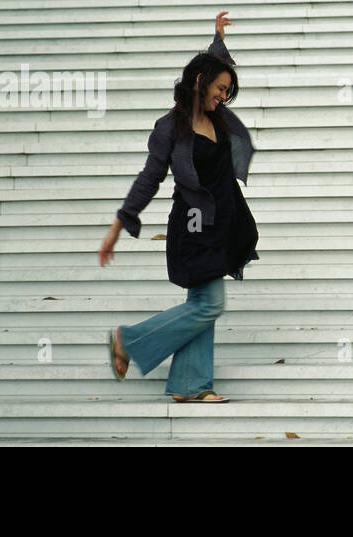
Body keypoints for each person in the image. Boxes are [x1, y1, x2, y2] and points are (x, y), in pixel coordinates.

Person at [97, 12, 258, 403]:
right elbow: (150, 177)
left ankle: (190, 385)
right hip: (193, 227)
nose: (224, 96)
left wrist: (217, 40)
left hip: (221, 223)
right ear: (200, 84)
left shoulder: (217, 119)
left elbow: (214, 65)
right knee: (210, 304)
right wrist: (121, 223)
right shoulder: (170, 127)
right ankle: (129, 340)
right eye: (220, 88)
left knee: (202, 303)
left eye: (227, 91)